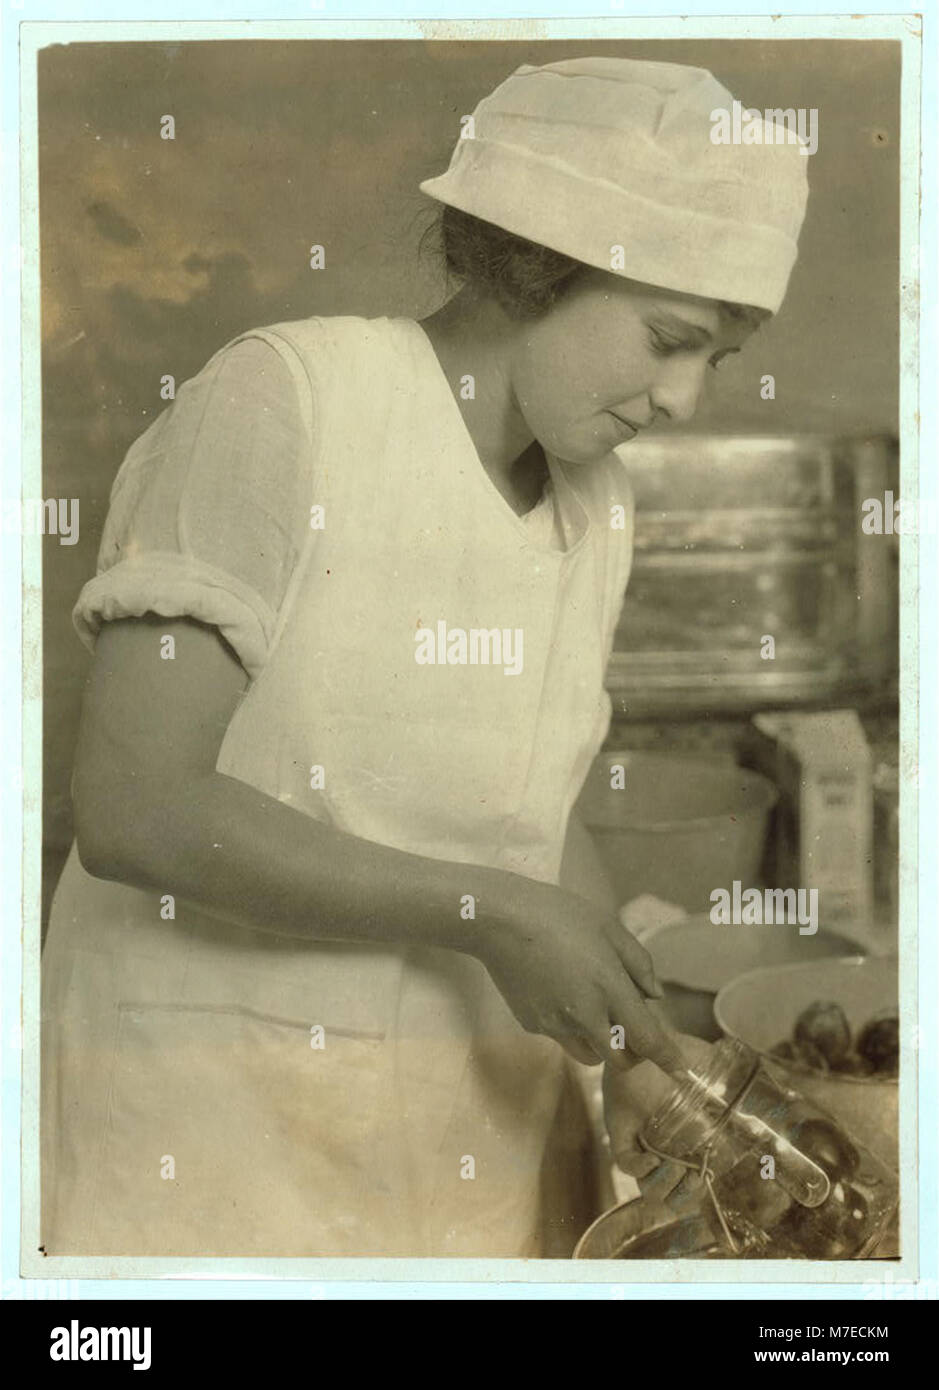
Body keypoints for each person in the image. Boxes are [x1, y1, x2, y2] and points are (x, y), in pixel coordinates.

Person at [40, 56, 810, 1257]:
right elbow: (133, 805)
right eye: (672, 339)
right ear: (535, 259)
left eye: (714, 356)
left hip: (466, 1130)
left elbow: (532, 813)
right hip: (225, 1133)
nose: (685, 399)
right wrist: (489, 915)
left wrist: (633, 1052)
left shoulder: (595, 503)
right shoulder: (287, 402)